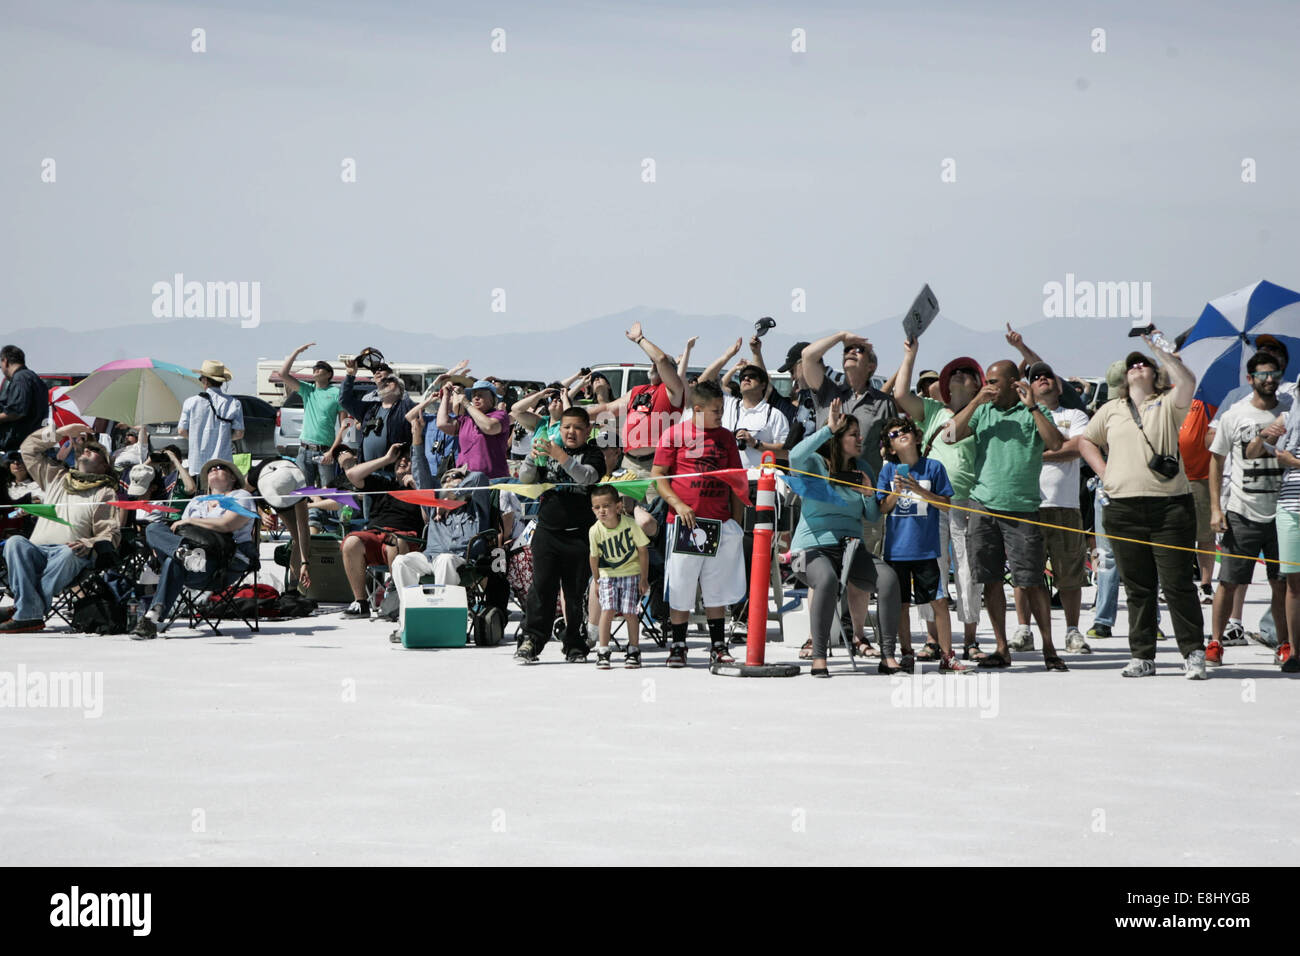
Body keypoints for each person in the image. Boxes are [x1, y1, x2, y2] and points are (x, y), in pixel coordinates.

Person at [1078, 340, 1207, 679]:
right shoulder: (1111, 409)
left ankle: (1193, 652)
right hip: (1123, 508)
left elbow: (1188, 384)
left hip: (1170, 508)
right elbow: (1086, 441)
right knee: (1138, 586)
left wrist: (1162, 353)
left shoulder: (1167, 402)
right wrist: (1104, 472)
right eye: (1132, 364)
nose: (1136, 367)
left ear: (1155, 374)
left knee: (1177, 583)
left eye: (1143, 364)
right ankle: (1142, 655)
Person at [948, 359, 1067, 671]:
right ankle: (1002, 649)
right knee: (990, 580)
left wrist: (1033, 408)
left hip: (1022, 508)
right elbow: (950, 436)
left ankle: (1050, 648)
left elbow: (1056, 443)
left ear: (1015, 383)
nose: (990, 386)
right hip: (983, 505)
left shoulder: (1032, 412)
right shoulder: (983, 410)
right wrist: (976, 400)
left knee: (1031, 581)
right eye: (987, 380)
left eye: (995, 382)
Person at [786, 398, 901, 677]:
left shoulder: (863, 469)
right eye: (853, 434)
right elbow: (794, 457)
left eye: (860, 433)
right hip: (810, 549)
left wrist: (869, 493)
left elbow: (872, 516)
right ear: (838, 438)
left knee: (888, 579)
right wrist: (827, 429)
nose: (860, 439)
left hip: (850, 549)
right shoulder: (814, 463)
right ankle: (819, 656)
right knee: (825, 579)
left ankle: (887, 656)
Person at [893, 339, 987, 659]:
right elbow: (900, 395)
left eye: (968, 372)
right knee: (931, 571)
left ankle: (970, 640)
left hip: (967, 502)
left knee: (968, 572)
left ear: (977, 383)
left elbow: (957, 434)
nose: (961, 375)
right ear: (946, 383)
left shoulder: (982, 416)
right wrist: (911, 354)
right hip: (929, 499)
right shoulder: (933, 410)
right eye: (956, 372)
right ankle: (933, 639)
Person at [650, 379, 747, 668]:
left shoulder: (726, 438)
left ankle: (718, 645)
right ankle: (679, 645)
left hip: (718, 522)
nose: (720, 415)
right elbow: (658, 475)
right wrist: (678, 504)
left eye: (722, 409)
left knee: (714, 586)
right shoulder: (675, 434)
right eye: (715, 410)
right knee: (681, 585)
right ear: (697, 409)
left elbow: (737, 482)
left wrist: (736, 523)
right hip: (684, 525)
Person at [1205, 351, 1289, 665]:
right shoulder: (1234, 415)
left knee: (1281, 584)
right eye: (1263, 374)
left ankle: (1284, 644)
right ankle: (1215, 642)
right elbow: (1217, 461)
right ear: (1249, 379)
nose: (1270, 379)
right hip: (1242, 511)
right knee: (1229, 581)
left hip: (1282, 512)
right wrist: (1216, 508)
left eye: (1275, 374)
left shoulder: (1290, 412)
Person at [0, 423, 120, 633]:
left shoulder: (105, 492)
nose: (88, 450)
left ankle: (26, 611)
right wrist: (61, 433)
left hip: (70, 553)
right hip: (36, 551)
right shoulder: (57, 477)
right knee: (14, 543)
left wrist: (88, 542)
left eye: (96, 451)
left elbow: (110, 532)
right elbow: (28, 449)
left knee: (68, 551)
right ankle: (28, 610)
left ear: (104, 467)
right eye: (86, 448)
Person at [514, 407, 605, 663]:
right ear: (559, 428)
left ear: (587, 430)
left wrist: (561, 456)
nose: (571, 432)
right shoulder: (549, 449)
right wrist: (532, 457)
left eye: (577, 427)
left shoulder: (593, 453)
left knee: (574, 593)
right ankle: (531, 640)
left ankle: (575, 644)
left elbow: (587, 477)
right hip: (548, 532)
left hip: (579, 535)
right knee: (541, 588)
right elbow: (526, 479)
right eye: (566, 427)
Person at [1014, 360, 1093, 654]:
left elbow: (1075, 448)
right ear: (1030, 386)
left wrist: (1038, 453)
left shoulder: (1073, 414)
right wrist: (1055, 450)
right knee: (1025, 575)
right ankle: (1024, 630)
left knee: (1070, 575)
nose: (1043, 379)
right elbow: (1056, 449)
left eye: (1048, 375)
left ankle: (1072, 631)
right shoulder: (1023, 415)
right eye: (1036, 377)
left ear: (1058, 385)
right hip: (1027, 504)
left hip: (1065, 506)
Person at [877, 416, 967, 672]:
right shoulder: (887, 471)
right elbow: (882, 508)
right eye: (894, 434)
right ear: (891, 448)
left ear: (916, 437)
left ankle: (947, 655)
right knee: (901, 604)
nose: (901, 434)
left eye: (905, 430)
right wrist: (897, 491)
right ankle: (907, 653)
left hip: (926, 549)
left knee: (938, 601)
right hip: (897, 550)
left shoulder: (934, 468)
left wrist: (919, 489)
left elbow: (945, 504)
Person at [131, 458, 257, 639]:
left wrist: (191, 520)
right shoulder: (197, 500)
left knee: (172, 560)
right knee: (153, 528)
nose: (213, 470)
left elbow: (227, 525)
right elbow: (180, 531)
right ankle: (183, 554)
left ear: (232, 478)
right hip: (193, 560)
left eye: (219, 468)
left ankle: (151, 619)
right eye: (210, 469)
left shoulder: (241, 496)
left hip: (223, 562)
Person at [334, 443, 425, 619]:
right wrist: (387, 459)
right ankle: (360, 602)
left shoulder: (423, 486)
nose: (403, 460)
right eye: (400, 457)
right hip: (376, 535)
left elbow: (428, 518)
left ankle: (396, 598)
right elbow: (352, 474)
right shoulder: (383, 483)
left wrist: (418, 485)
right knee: (351, 542)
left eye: (409, 458)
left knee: (393, 542)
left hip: (406, 538)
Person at [586, 322, 687, 478]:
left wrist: (640, 339)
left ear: (670, 371)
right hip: (629, 463)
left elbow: (660, 359)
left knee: (655, 503)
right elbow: (608, 409)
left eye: (657, 364)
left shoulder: (674, 390)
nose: (653, 365)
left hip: (655, 464)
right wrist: (578, 418)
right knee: (625, 504)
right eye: (652, 363)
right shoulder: (637, 390)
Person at [1245, 388, 1300, 672]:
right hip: (1289, 507)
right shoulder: (1289, 419)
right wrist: (1265, 434)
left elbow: (1290, 461)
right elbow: (1251, 453)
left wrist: (1294, 462)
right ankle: (1295, 652)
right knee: (1292, 584)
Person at [588, 484, 651, 669]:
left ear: (618, 506)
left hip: (631, 574)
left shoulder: (631, 525)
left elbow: (643, 551)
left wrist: (644, 578)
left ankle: (633, 649)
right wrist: (597, 580)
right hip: (608, 575)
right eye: (597, 507)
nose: (602, 511)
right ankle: (603, 650)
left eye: (606, 506)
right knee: (607, 611)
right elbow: (593, 557)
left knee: (630, 612)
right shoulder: (595, 530)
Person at [699, 340, 790, 468]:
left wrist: (756, 444)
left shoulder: (774, 415)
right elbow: (702, 383)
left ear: (763, 385)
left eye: (752, 376)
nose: (746, 379)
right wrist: (727, 356)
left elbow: (786, 453)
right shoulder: (728, 405)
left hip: (759, 482)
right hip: (728, 481)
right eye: (742, 377)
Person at [280, 343, 343, 501]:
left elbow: (345, 426)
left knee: (328, 491)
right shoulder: (308, 390)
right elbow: (283, 374)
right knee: (304, 492)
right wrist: (296, 351)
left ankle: (327, 523)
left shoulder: (336, 393)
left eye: (320, 367)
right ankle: (308, 523)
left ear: (329, 374)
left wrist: (332, 451)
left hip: (325, 451)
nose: (316, 368)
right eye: (315, 366)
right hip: (304, 449)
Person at [177, 360, 244, 475]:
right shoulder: (234, 403)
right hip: (223, 463)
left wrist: (197, 437)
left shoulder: (190, 402)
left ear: (205, 380)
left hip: (197, 464)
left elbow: (182, 431)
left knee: (200, 492)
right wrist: (223, 438)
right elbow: (239, 434)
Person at [438, 379, 510, 480]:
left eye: (480, 395)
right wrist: (446, 396)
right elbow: (442, 424)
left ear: (493, 399)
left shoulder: (500, 415)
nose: (476, 398)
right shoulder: (466, 418)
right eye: (473, 395)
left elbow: (489, 427)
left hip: (493, 480)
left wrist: (467, 404)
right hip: (466, 480)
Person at [0, 345, 50, 453]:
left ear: (5, 361)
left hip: (20, 446)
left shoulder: (20, 379)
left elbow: (16, 412)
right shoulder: (34, 378)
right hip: (33, 441)